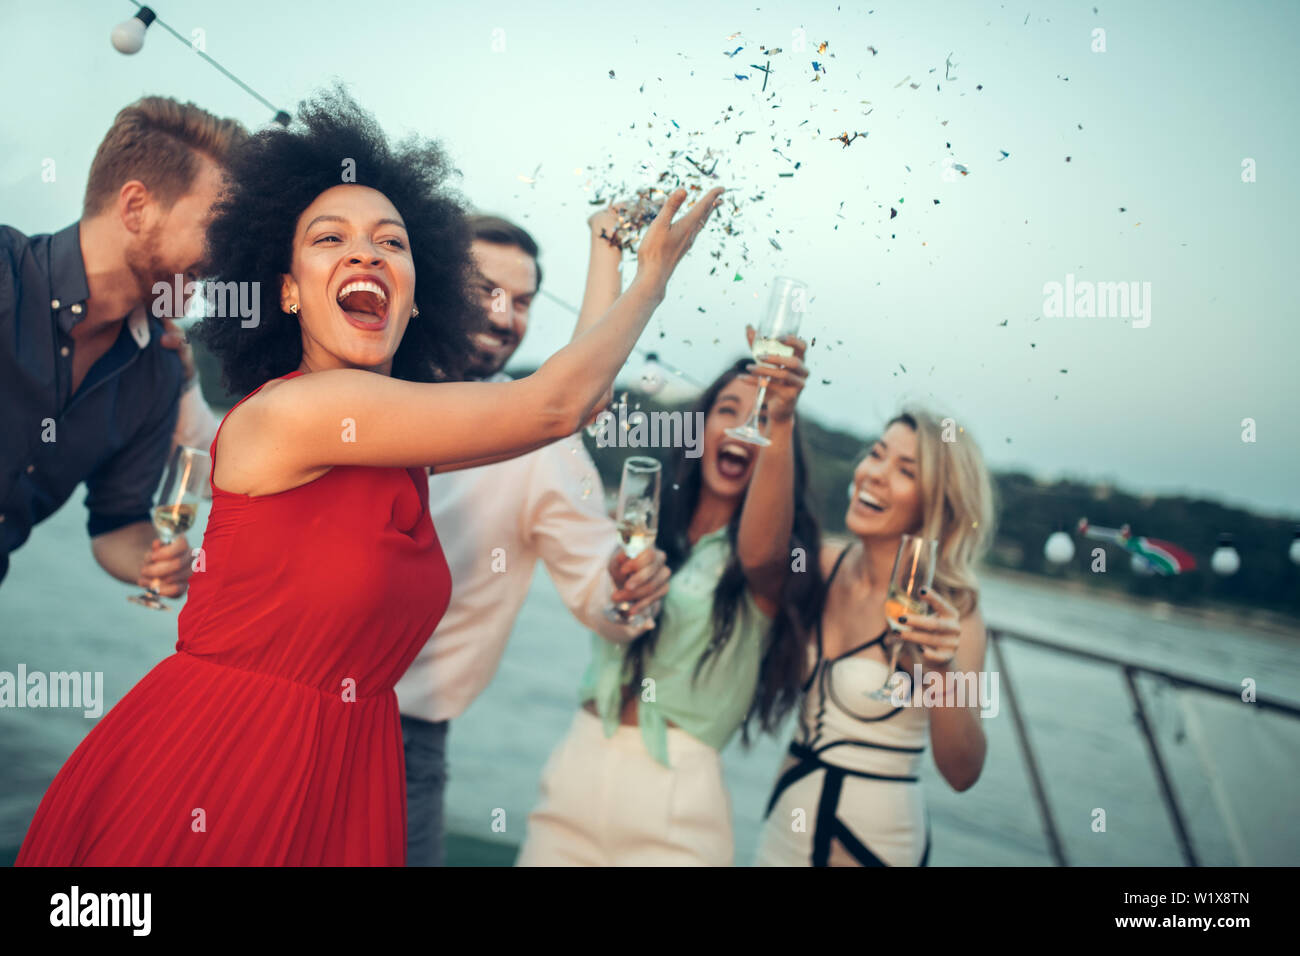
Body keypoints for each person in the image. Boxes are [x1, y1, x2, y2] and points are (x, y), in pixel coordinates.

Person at [16, 87, 721, 866]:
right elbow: (555, 405)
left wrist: (606, 253)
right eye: (329, 239)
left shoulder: (390, 438)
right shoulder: (299, 415)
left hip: (348, 768)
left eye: (392, 242)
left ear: (419, 295)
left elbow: (559, 408)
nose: (365, 254)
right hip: (222, 767)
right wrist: (651, 276)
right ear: (284, 288)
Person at [394, 211, 669, 866]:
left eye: (521, 302)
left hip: (403, 744)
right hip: (271, 709)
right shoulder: (361, 384)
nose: (503, 315)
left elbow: (603, 593)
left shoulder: (542, 447)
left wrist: (630, 588)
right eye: (484, 290)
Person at [516, 342, 821, 866]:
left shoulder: (774, 561)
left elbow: (761, 553)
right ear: (699, 429)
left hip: (678, 805)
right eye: (728, 411)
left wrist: (785, 417)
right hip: (578, 768)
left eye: (762, 419)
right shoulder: (642, 524)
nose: (742, 428)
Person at [0, 96, 246, 592]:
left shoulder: (159, 371)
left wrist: (149, 562)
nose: (224, 257)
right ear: (136, 206)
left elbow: (117, 522)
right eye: (214, 228)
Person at [755, 408, 995, 866]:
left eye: (906, 471)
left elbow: (964, 771)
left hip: (872, 847)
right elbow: (755, 562)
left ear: (936, 503)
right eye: (877, 455)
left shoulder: (954, 612)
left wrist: (940, 671)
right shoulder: (822, 565)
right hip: (784, 829)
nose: (875, 475)